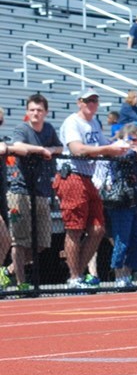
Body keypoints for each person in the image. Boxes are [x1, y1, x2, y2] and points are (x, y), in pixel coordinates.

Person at [56, 88, 129, 288]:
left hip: (88, 178)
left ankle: (78, 272)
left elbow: (105, 145)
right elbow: (77, 149)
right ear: (79, 102)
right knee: (75, 229)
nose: (91, 104)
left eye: (95, 101)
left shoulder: (94, 123)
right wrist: (108, 149)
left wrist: (125, 147)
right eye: (88, 100)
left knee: (98, 228)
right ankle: (74, 276)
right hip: (72, 176)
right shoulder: (73, 122)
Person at [0, 94, 62, 291]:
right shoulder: (22, 128)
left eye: (39, 110)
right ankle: (21, 283)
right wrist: (40, 149)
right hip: (20, 191)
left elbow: (60, 147)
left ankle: (8, 271)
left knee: (42, 243)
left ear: (45, 112)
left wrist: (49, 149)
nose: (36, 113)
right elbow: (17, 146)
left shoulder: (49, 129)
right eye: (32, 110)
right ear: (27, 112)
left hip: (41, 191)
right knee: (19, 240)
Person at [95, 124, 137, 289]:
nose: (132, 142)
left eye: (135, 139)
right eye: (130, 138)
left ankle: (127, 274)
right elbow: (123, 153)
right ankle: (119, 276)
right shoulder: (118, 150)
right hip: (121, 201)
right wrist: (134, 150)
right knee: (122, 241)